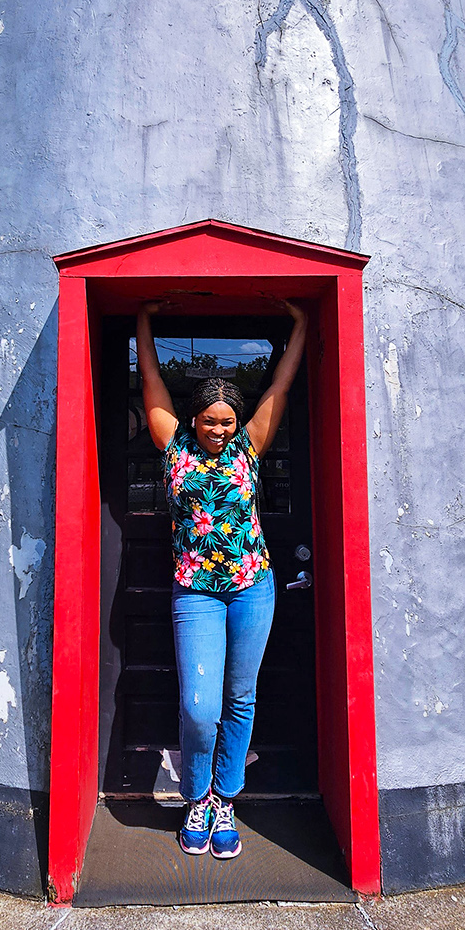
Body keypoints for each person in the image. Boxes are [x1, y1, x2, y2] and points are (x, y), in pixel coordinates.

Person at [136, 299, 308, 859]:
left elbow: (279, 387)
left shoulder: (249, 449)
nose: (218, 428)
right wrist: (142, 320)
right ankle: (196, 796)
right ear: (194, 419)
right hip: (196, 593)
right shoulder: (173, 447)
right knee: (199, 703)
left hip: (252, 587)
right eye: (210, 419)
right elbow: (152, 379)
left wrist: (300, 328)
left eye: (226, 420)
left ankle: (224, 800)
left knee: (240, 696)